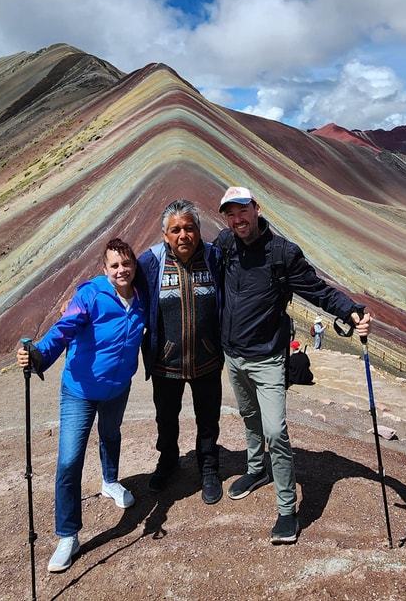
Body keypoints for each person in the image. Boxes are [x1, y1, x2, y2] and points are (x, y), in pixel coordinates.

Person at [215, 186, 371, 545]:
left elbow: (318, 290)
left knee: (274, 431)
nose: (237, 219)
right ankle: (257, 469)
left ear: (256, 208)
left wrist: (352, 310)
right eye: (230, 213)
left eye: (242, 211)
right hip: (233, 356)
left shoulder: (282, 254)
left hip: (268, 359)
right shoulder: (225, 246)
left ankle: (287, 510)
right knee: (248, 417)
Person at [17, 238, 146, 574]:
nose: (121, 270)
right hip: (79, 390)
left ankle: (110, 481)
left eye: (126, 264)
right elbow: (65, 328)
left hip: (118, 388)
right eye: (114, 265)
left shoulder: (141, 298)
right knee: (70, 459)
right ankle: (68, 535)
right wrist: (40, 354)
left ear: (134, 266)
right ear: (104, 270)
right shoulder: (90, 294)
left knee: (111, 434)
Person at [135, 199, 224, 504]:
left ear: (198, 230)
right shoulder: (150, 263)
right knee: (166, 418)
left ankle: (209, 466)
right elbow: (116, 282)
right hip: (166, 362)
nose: (183, 235)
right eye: (175, 230)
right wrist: (78, 297)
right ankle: (168, 460)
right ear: (165, 235)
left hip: (207, 359)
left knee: (208, 418)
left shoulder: (214, 258)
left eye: (189, 228)